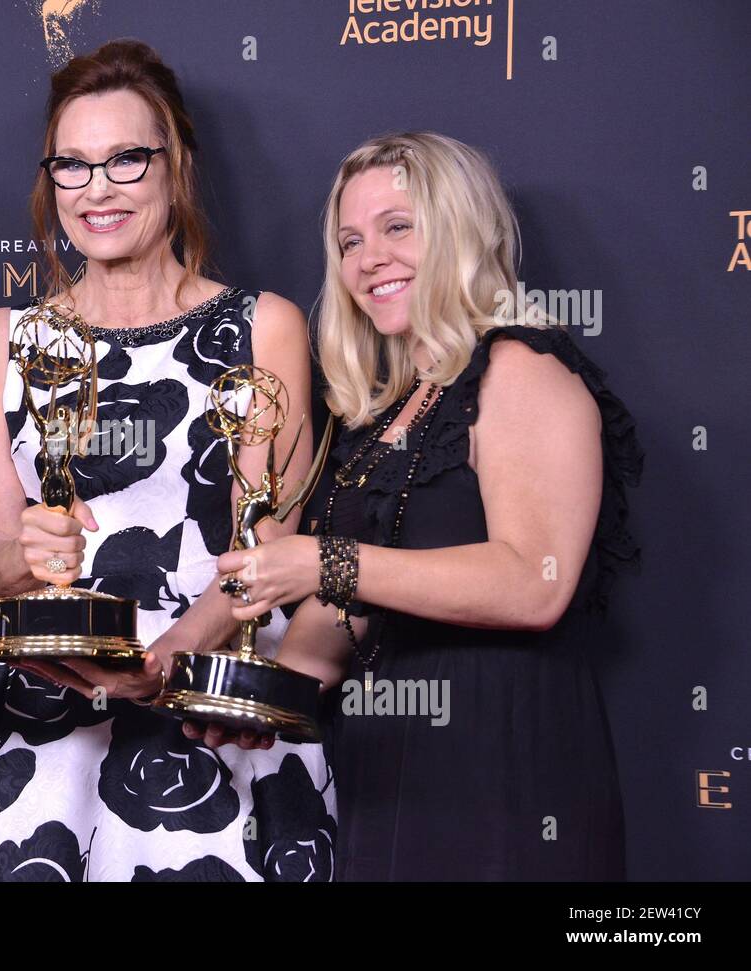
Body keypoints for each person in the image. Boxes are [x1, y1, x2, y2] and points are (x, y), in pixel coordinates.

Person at [0, 40, 336, 883]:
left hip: (215, 712)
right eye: (72, 166)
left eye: (126, 159)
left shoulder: (262, 326)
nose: (98, 189)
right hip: (49, 731)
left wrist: (171, 656)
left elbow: (268, 548)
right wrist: (29, 552)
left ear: (174, 165)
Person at [200, 132, 642, 880]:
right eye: (350, 241)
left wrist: (324, 561)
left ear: (462, 230)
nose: (368, 259)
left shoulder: (520, 364)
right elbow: (345, 620)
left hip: (501, 759)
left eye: (397, 227)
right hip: (385, 767)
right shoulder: (387, 412)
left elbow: (535, 582)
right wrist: (243, 697)